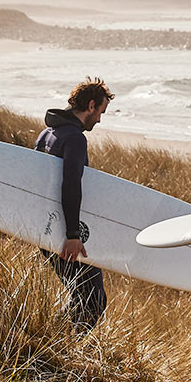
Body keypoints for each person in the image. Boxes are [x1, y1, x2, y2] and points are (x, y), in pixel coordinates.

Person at [35, 78, 113, 331]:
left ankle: (54, 340)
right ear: (91, 105)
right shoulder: (75, 139)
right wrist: (72, 235)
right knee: (93, 298)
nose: (99, 119)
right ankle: (63, 348)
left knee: (81, 294)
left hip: (45, 231)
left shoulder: (47, 133)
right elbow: (70, 186)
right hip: (63, 233)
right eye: (101, 112)